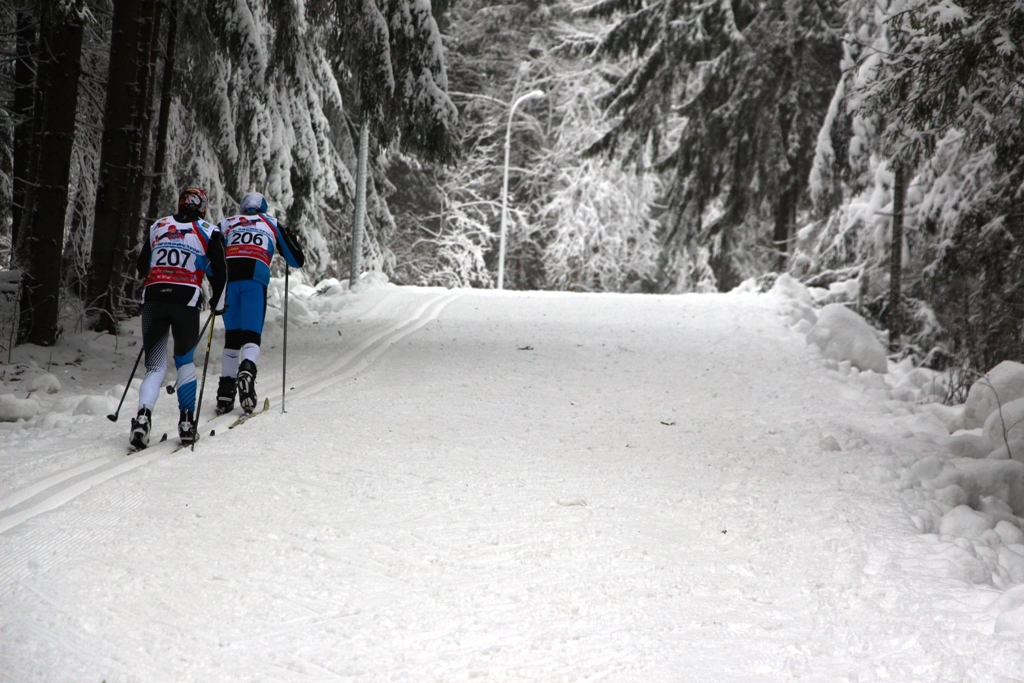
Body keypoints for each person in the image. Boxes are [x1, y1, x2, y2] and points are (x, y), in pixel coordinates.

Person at [130, 188, 227, 449]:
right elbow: (220, 269)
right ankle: (186, 422)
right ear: (202, 207)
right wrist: (219, 301)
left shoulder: (158, 225)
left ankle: (142, 419)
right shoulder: (209, 230)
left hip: (153, 298)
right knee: (184, 361)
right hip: (186, 299)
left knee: (155, 366)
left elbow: (142, 266)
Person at [215, 192, 304, 415]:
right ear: (262, 208)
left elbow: (211, 254)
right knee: (251, 336)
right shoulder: (270, 222)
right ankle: (247, 371)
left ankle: (226, 391)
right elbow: (296, 260)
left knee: (232, 337)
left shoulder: (227, 223)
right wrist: (290, 239)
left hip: (230, 280)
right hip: (254, 278)